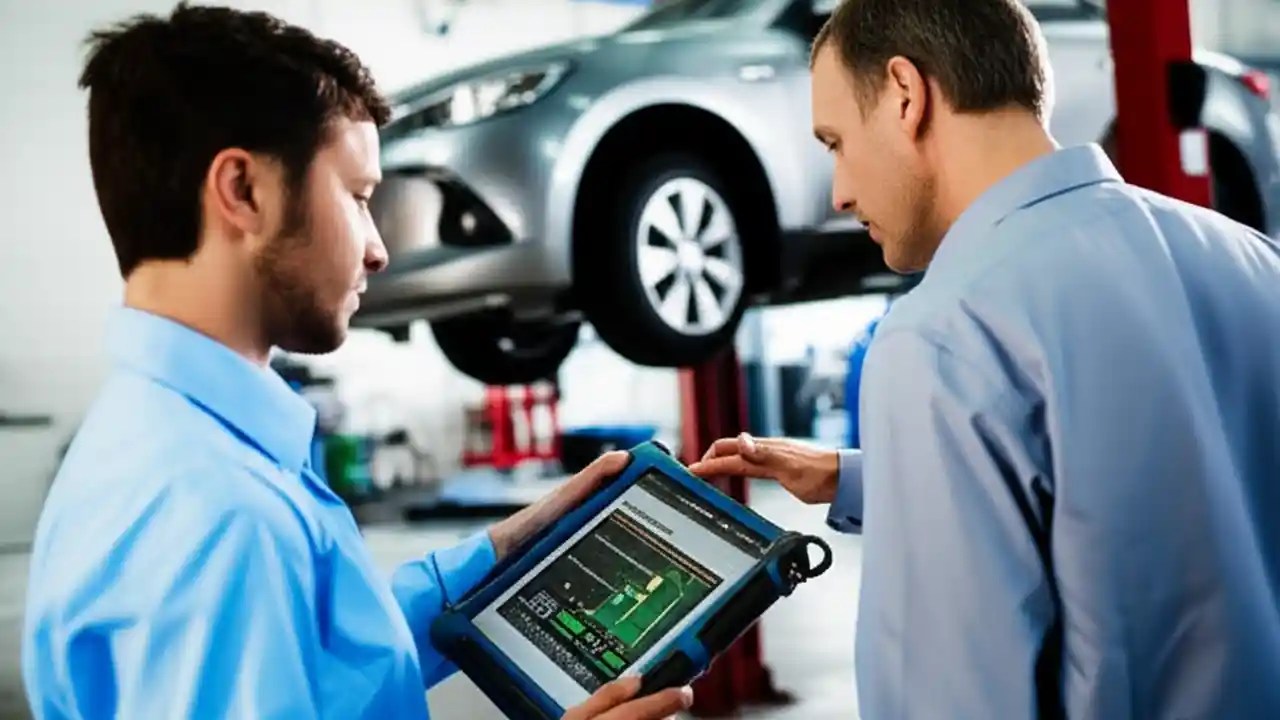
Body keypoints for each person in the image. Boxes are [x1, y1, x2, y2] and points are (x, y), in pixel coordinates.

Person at [20, 5, 692, 719]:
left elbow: (318, 661)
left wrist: (504, 552)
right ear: (243, 192)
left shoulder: (153, 440)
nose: (377, 248)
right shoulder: (220, 518)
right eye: (359, 197)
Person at [690, 0, 1280, 717]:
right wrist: (863, 477)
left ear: (906, 96)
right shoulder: (1251, 261)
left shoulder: (943, 335)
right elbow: (1164, 485)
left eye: (836, 141)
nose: (841, 192)